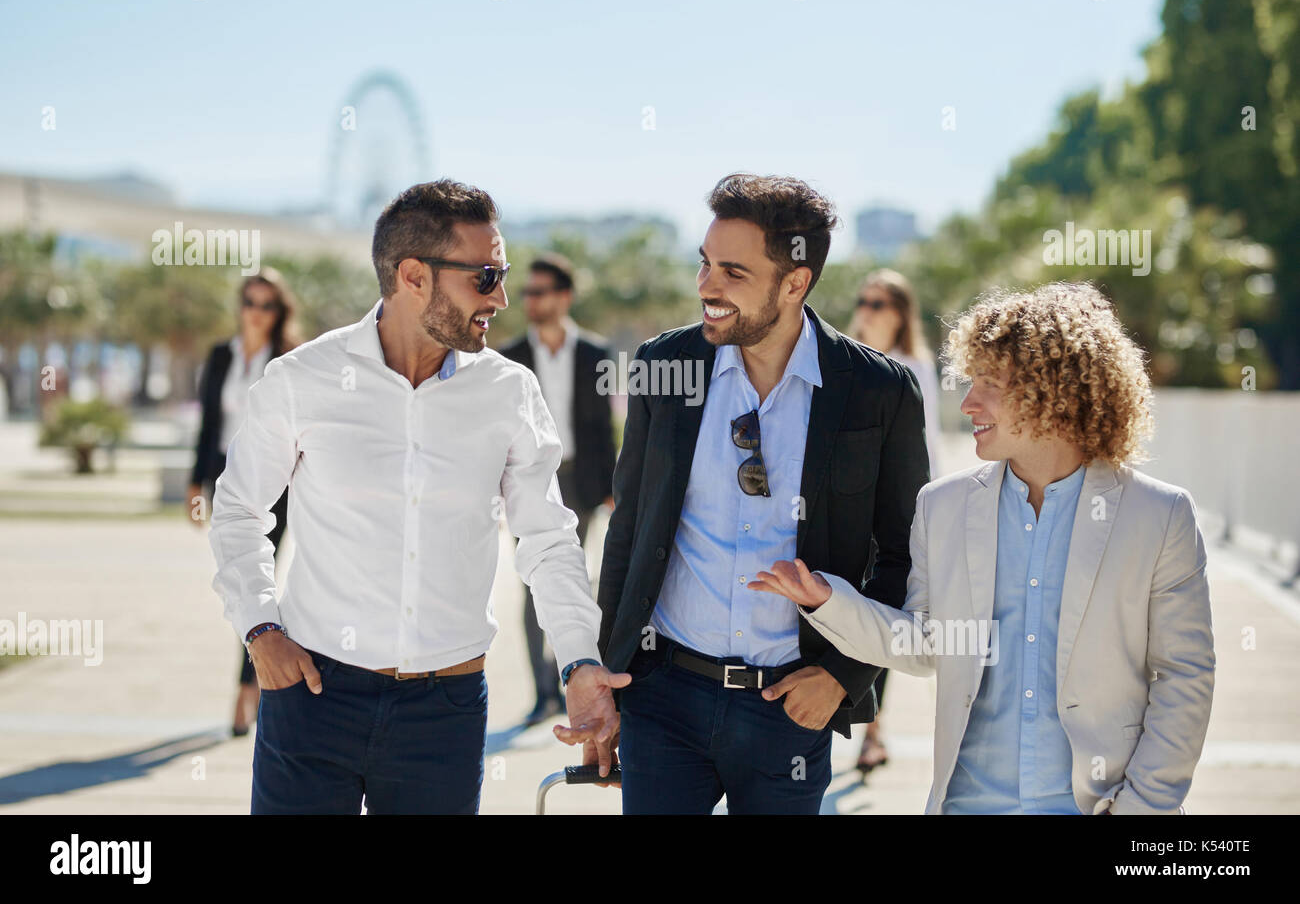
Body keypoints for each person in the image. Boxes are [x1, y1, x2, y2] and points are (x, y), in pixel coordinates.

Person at [209, 179, 628, 814]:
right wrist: (260, 628)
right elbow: (239, 511)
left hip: (446, 714)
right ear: (413, 275)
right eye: (485, 276)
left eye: (504, 273)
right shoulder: (303, 380)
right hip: (312, 700)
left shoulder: (509, 391)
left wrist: (577, 662)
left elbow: (545, 538)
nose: (503, 297)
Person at [753, 282, 1216, 814]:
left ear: (1055, 390)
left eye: (990, 383)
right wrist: (827, 600)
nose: (967, 402)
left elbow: (1185, 676)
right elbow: (926, 644)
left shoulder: (1161, 516)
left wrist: (1142, 808)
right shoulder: (942, 507)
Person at [594, 173, 931, 814]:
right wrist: (608, 685)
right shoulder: (666, 370)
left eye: (733, 272)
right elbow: (629, 531)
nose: (707, 286)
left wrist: (843, 678)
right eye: (704, 264)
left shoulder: (877, 392)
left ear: (795, 281)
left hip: (791, 708)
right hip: (662, 696)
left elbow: (903, 555)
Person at [498, 253, 616, 725]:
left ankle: (576, 673)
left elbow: (604, 426)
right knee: (531, 583)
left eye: (540, 292)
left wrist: (610, 486)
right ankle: (543, 691)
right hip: (528, 482)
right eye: (526, 292)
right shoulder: (507, 357)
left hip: (580, 480)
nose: (529, 300)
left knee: (578, 578)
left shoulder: (593, 352)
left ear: (564, 296)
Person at [189, 268, 299, 737]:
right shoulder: (220, 356)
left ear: (279, 312)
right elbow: (208, 423)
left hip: (276, 485)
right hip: (225, 482)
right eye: (250, 303)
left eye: (266, 305)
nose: (257, 313)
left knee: (258, 580)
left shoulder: (289, 359)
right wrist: (197, 482)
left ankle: (246, 689)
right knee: (238, 577)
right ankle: (249, 683)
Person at [845, 267, 942, 776]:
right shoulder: (842, 362)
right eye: (864, 300)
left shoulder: (915, 368)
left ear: (901, 312)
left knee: (884, 614)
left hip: (897, 515)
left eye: (879, 303)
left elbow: (928, 450)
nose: (867, 310)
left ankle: (873, 731)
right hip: (846, 511)